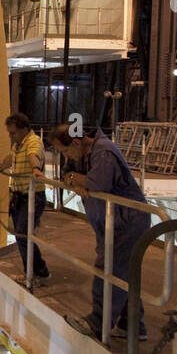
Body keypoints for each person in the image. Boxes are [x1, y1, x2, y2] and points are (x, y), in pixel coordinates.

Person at [49, 123, 151, 342]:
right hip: (112, 221)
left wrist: (77, 179)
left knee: (109, 270)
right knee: (124, 274)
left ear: (76, 142)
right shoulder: (84, 152)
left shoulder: (103, 152)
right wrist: (74, 178)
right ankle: (132, 325)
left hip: (127, 222)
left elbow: (98, 184)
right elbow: (66, 174)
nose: (65, 156)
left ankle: (97, 323)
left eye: (65, 151)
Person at [0, 113, 50, 285]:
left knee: (23, 234)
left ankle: (37, 273)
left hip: (33, 196)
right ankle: (35, 271)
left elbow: (33, 155)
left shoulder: (33, 142)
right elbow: (11, 158)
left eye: (13, 133)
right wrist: (1, 166)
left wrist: (36, 168)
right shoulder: (18, 144)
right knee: (21, 234)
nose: (11, 136)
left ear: (24, 129)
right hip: (20, 196)